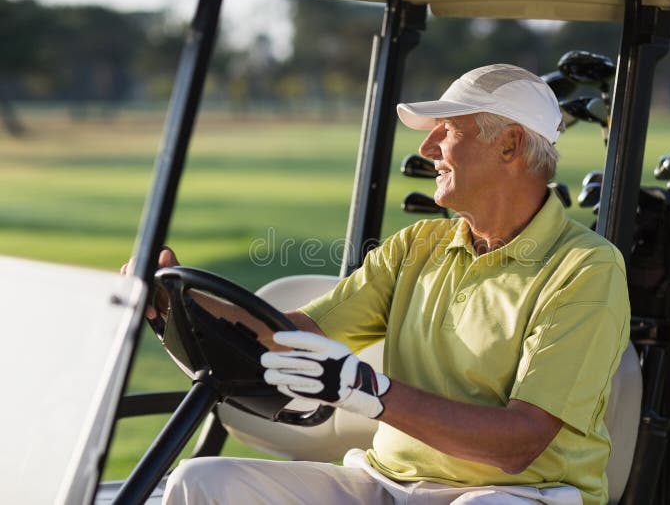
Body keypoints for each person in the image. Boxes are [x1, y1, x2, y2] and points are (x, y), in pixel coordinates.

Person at [145, 64, 630, 504]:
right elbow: (292, 336)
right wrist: (177, 304)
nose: (427, 148)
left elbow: (517, 446)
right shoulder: (418, 244)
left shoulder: (586, 268)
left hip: (521, 494)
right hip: (387, 484)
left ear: (509, 145)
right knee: (202, 482)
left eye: (449, 129)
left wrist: (372, 393)